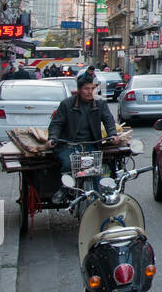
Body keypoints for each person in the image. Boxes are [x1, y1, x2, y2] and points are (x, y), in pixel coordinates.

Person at [46, 71, 117, 204]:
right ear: (78, 90)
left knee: (97, 171)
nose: (90, 92)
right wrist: (53, 137)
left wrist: (112, 134)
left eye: (93, 88)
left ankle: (99, 202)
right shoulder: (66, 104)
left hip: (92, 144)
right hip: (69, 144)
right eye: (86, 89)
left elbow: (108, 120)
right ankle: (65, 188)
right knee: (68, 164)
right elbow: (56, 124)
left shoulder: (100, 104)